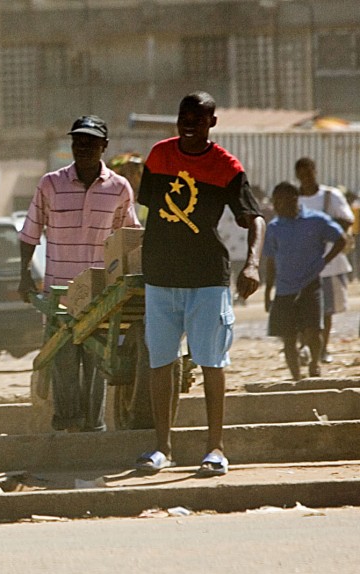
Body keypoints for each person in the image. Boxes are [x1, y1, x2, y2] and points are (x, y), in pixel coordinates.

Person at [133, 92, 265, 477]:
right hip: (160, 276)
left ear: (212, 122)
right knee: (161, 362)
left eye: (197, 116)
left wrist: (252, 265)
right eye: (183, 115)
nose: (188, 122)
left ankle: (216, 449)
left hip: (207, 278)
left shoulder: (225, 165)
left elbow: (254, 218)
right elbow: (149, 211)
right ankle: (162, 448)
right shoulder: (159, 155)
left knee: (211, 362)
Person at [19, 115, 139, 433]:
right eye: (77, 141)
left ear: (104, 146)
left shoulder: (118, 188)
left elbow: (128, 238)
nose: (82, 147)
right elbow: (29, 234)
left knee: (98, 361)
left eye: (90, 142)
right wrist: (23, 275)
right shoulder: (50, 184)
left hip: (101, 291)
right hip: (59, 290)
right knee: (64, 358)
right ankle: (68, 424)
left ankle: (93, 428)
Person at [263, 183, 346, 381]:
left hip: (310, 284)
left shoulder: (316, 220)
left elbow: (340, 239)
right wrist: (267, 292)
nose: (277, 205)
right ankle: (296, 378)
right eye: (275, 201)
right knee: (288, 337)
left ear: (294, 199)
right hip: (284, 289)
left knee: (312, 330)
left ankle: (314, 364)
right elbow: (271, 262)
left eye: (281, 200)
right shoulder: (274, 228)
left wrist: (324, 261)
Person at [294, 157, 355, 363]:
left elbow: (347, 220)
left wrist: (322, 229)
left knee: (326, 310)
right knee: (302, 310)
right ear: (297, 176)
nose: (306, 178)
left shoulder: (331, 196)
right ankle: (305, 348)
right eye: (302, 174)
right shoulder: (295, 199)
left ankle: (323, 349)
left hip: (329, 262)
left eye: (309, 172)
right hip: (301, 264)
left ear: (315, 171)